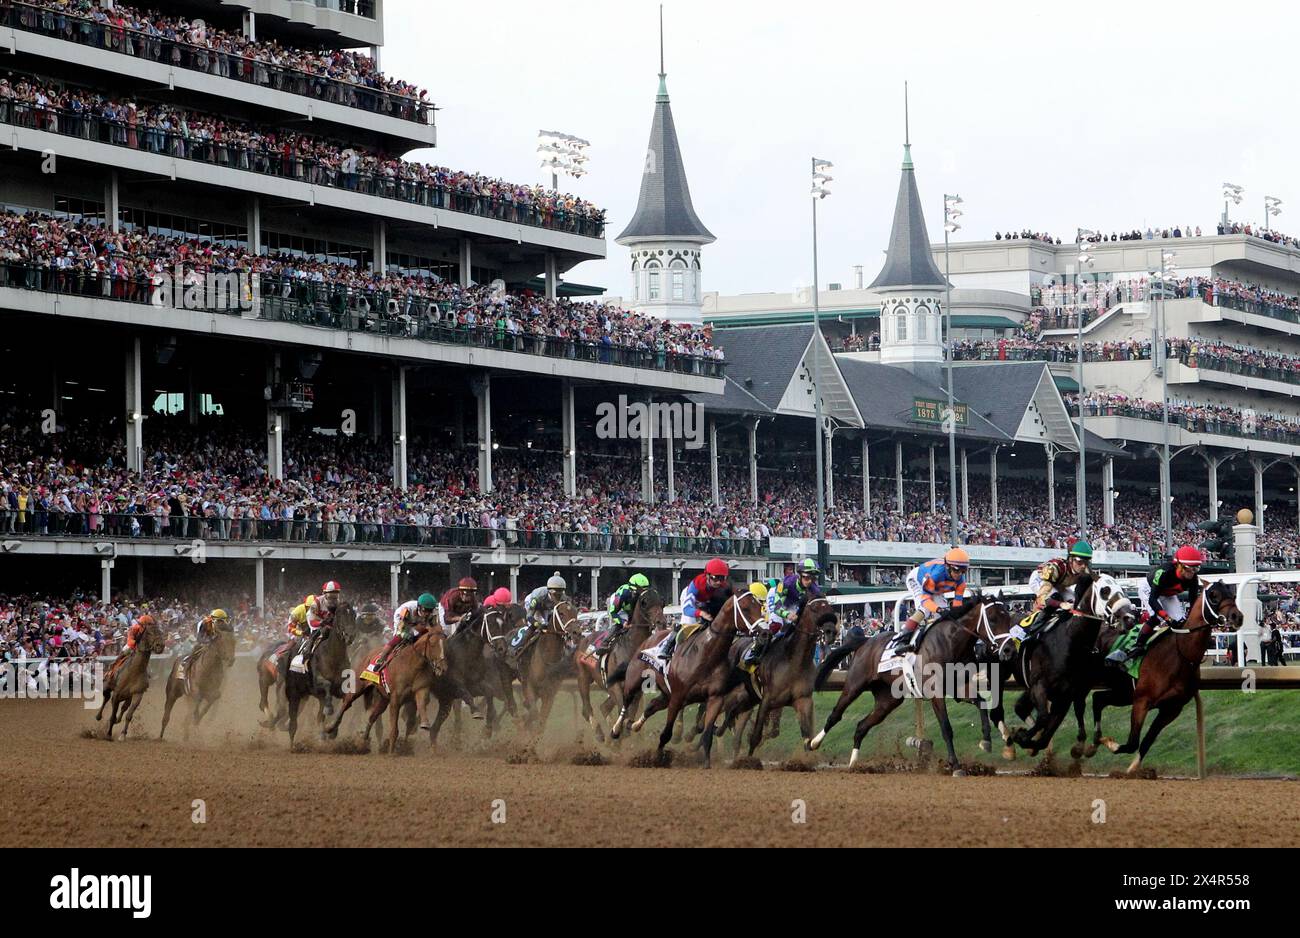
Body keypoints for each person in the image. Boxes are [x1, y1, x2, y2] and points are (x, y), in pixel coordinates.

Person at [1108, 545, 1202, 665]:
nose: (1192, 573)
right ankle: (1138, 645)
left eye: (1196, 569)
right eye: (1189, 569)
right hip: (1149, 589)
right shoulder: (1164, 572)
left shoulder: (1193, 579)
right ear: (1178, 565)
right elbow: (1153, 600)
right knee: (1157, 617)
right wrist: (1167, 617)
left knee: (1180, 620)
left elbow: (1193, 601)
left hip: (1168, 594)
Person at [644, 558, 731, 670]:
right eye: (715, 578)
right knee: (688, 624)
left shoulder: (724, 586)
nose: (719, 582)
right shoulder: (697, 585)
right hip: (692, 600)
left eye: (722, 578)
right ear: (707, 575)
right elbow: (687, 609)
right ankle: (665, 648)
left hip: (707, 601)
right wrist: (700, 613)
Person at [1009, 541, 1093, 649]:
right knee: (1055, 598)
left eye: (1086, 562)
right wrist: (1060, 604)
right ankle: (1030, 634)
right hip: (1041, 580)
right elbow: (1044, 598)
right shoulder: (1055, 567)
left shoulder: (1085, 570)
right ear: (1071, 559)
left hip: (1059, 583)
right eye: (1080, 562)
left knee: (1075, 603)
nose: (1083, 566)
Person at [887, 547, 969, 654]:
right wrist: (938, 609)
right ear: (947, 566)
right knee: (924, 610)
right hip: (917, 580)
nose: (959, 575)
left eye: (963, 571)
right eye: (956, 570)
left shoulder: (961, 583)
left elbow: (957, 605)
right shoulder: (935, 575)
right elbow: (925, 600)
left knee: (943, 614)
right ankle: (902, 638)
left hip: (936, 588)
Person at [753, 559, 822, 664]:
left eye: (813, 578)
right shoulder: (786, 583)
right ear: (799, 575)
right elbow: (776, 607)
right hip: (777, 602)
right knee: (777, 625)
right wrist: (787, 614)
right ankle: (755, 651)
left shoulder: (814, 589)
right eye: (807, 577)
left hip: (794, 607)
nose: (810, 581)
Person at [372, 592, 439, 672]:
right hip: (403, 620)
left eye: (430, 610)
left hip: (417, 622)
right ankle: (381, 659)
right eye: (425, 610)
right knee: (400, 637)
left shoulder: (433, 613)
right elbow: (401, 627)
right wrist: (407, 633)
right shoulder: (406, 609)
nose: (427, 613)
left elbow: (435, 628)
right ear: (419, 607)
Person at [595, 573, 649, 656]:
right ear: (633, 589)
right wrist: (622, 622)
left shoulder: (641, 594)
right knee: (622, 623)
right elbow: (613, 612)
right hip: (620, 608)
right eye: (640, 591)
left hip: (631, 607)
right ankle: (604, 643)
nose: (642, 594)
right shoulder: (623, 594)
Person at [520, 573, 568, 644]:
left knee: (546, 624)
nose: (558, 598)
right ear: (550, 592)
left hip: (545, 607)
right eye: (555, 595)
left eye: (560, 595)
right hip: (533, 603)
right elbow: (529, 616)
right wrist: (537, 624)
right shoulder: (538, 595)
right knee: (535, 625)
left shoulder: (563, 597)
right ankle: (523, 644)